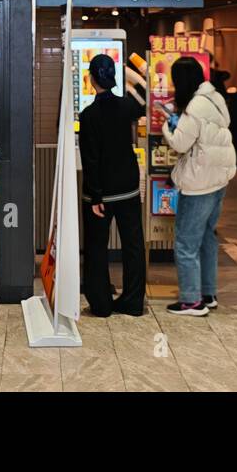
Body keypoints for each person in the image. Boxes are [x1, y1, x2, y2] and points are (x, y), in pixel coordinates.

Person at [162, 56, 237, 316]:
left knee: (185, 243)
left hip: (199, 183)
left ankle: (191, 301)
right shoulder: (214, 98)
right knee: (206, 237)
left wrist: (167, 125)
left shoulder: (194, 106)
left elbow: (180, 144)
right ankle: (208, 292)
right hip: (218, 179)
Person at [78, 53, 146, 317]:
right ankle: (132, 302)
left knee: (96, 248)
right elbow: (145, 94)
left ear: (92, 79)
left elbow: (90, 159)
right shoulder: (127, 107)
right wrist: (135, 73)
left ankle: (101, 303)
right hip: (128, 187)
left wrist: (95, 197)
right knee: (133, 244)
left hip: (101, 194)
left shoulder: (88, 115)